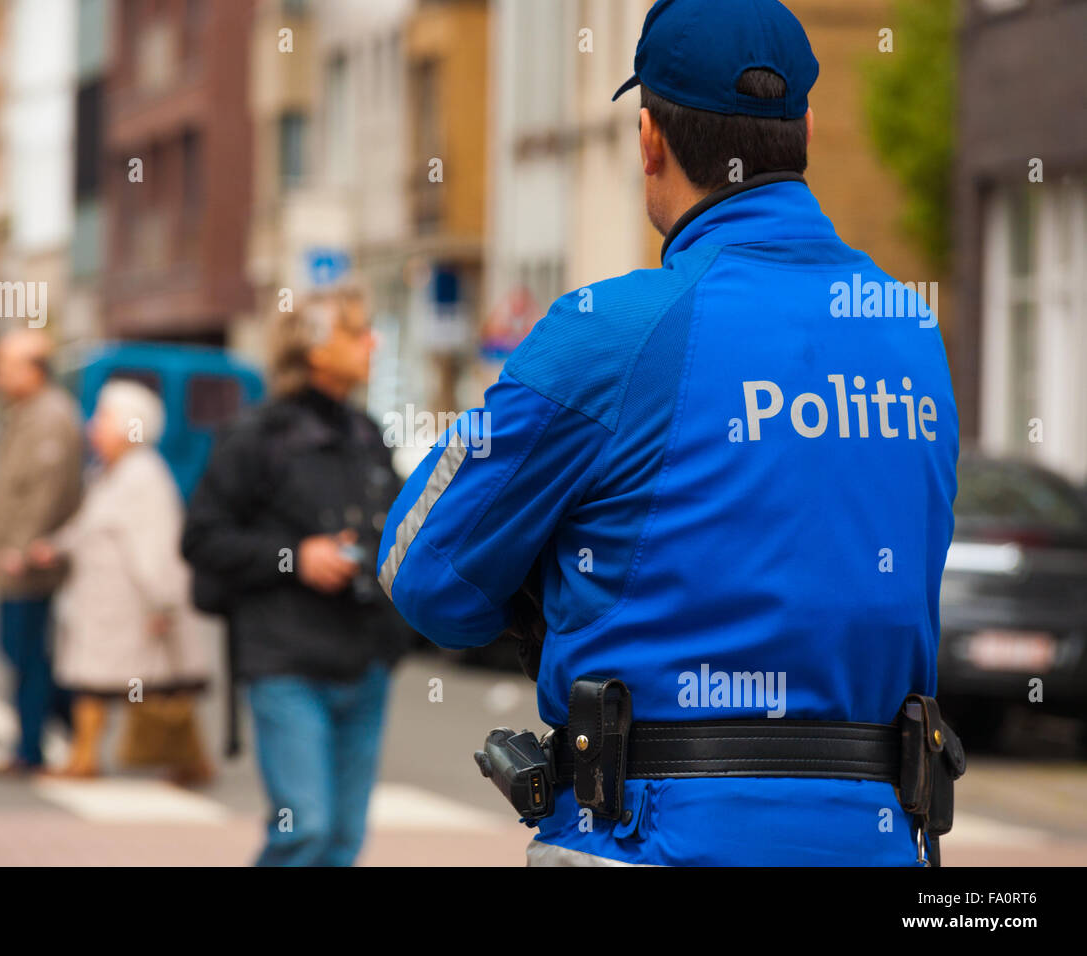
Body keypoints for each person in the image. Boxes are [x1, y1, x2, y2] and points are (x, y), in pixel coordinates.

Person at [378, 0, 962, 866]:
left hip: (653, 838)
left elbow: (424, 570)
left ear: (648, 138)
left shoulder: (606, 332)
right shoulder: (911, 334)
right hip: (877, 838)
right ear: (803, 127)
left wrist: (548, 581)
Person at [182, 288, 411, 866]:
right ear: (314, 351)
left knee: (341, 841)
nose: (372, 342)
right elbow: (201, 538)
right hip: (285, 660)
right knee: (303, 829)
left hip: (365, 661)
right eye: (356, 331)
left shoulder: (367, 433)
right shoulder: (257, 436)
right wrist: (295, 556)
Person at [28, 380, 213, 783]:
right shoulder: (112, 473)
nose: (93, 427)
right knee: (132, 683)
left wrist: (162, 604)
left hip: (129, 609)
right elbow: (89, 527)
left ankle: (93, 757)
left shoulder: (142, 477)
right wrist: (55, 548)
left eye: (103, 419)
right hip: (104, 609)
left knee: (140, 685)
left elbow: (157, 548)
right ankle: (94, 756)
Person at [0, 328, 83, 775]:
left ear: (32, 370)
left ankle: (36, 743)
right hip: (13, 555)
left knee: (25, 650)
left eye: (4, 366)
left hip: (30, 559)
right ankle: (67, 725)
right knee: (17, 648)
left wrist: (22, 546)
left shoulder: (50, 416)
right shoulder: (25, 412)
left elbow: (45, 491)